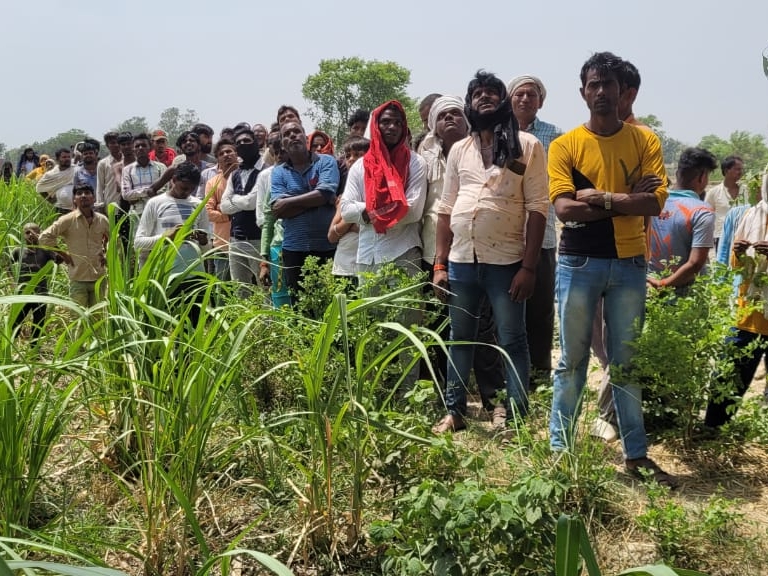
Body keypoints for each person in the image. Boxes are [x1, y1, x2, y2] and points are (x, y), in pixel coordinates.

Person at [548, 51, 674, 487]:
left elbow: (655, 202)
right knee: (572, 361)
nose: (601, 92)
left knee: (626, 364)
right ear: (583, 92)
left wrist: (597, 198)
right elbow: (564, 210)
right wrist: (623, 200)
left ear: (623, 92)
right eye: (593, 85)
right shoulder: (565, 145)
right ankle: (559, 452)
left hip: (630, 261)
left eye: (609, 85)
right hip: (578, 260)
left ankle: (635, 456)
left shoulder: (645, 141)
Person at [432, 71, 549, 434]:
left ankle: (514, 414)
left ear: (503, 102)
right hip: (462, 260)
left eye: (491, 93)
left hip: (507, 261)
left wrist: (528, 268)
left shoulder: (526, 145)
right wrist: (439, 262)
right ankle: (455, 411)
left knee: (512, 338)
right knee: (460, 338)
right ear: (470, 103)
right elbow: (446, 208)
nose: (484, 98)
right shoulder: (460, 151)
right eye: (477, 93)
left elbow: (538, 208)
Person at [420, 95, 507, 427]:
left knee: (484, 330)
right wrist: (434, 263)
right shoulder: (423, 160)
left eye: (456, 113)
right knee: (444, 330)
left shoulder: (484, 154)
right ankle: (450, 402)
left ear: (467, 119)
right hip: (434, 255)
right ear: (434, 127)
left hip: (477, 254)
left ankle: (494, 401)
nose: (450, 119)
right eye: (443, 117)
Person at [508, 74, 564, 391]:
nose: (525, 99)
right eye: (520, 94)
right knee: (504, 309)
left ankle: (539, 376)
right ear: (510, 99)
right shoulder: (498, 134)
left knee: (541, 309)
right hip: (502, 238)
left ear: (540, 101)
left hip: (541, 237)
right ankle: (506, 375)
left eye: (532, 95)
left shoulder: (555, 137)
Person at [269, 120, 339, 302]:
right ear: (283, 143)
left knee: (329, 304)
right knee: (300, 306)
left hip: (327, 247)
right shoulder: (278, 172)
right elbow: (278, 210)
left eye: (296, 131)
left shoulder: (326, 162)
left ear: (305, 136)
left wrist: (290, 202)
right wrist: (318, 198)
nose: (292, 136)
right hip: (294, 249)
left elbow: (324, 194)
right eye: (287, 134)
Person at [133, 162, 210, 326]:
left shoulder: (198, 205)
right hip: (165, 278)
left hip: (194, 276)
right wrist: (166, 237)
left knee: (192, 327)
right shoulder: (155, 203)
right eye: (183, 187)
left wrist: (203, 240)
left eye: (191, 189)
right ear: (173, 180)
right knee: (165, 326)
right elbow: (138, 243)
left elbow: (207, 248)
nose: (186, 192)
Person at [647, 147, 717, 292]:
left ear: (677, 173)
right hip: (686, 299)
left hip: (647, 289)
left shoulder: (651, 203)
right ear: (702, 177)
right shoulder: (702, 211)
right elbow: (695, 263)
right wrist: (663, 284)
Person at [39, 182, 109, 307]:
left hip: (99, 278)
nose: (83, 196)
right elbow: (44, 237)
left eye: (87, 193)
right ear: (74, 199)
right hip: (78, 278)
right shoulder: (67, 220)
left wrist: (106, 254)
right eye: (79, 193)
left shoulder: (102, 220)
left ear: (93, 198)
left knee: (98, 319)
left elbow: (114, 240)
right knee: (79, 319)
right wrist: (63, 254)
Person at [219, 127, 264, 298]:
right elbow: (223, 206)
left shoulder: (265, 171)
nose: (243, 144)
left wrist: (235, 200)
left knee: (264, 287)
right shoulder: (234, 174)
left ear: (256, 143)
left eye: (247, 141)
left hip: (258, 239)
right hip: (236, 239)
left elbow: (252, 203)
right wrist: (242, 202)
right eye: (239, 143)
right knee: (240, 289)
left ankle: (269, 325)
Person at [258, 130, 292, 308]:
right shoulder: (274, 185)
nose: (279, 156)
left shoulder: (309, 178)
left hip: (303, 245)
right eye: (276, 152)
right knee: (280, 296)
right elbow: (268, 222)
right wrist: (264, 261)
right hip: (278, 248)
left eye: (283, 151)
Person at [328, 137, 369, 280]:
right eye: (347, 156)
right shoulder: (345, 196)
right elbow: (331, 235)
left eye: (358, 154)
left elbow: (379, 228)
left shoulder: (378, 192)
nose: (351, 159)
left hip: (368, 266)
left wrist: (348, 220)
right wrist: (353, 222)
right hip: (344, 266)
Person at [10, 223, 57, 343]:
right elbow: (8, 267)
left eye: (35, 232)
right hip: (22, 294)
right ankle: (9, 349)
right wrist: (12, 283)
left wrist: (50, 244)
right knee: (16, 323)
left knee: (38, 324)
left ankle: (34, 352)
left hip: (40, 294)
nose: (31, 235)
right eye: (27, 232)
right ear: (23, 235)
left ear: (40, 233)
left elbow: (59, 260)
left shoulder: (45, 252)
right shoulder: (17, 251)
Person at [204, 139, 239, 280]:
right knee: (222, 290)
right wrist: (230, 216)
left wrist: (222, 207)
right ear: (217, 159)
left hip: (246, 244)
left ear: (236, 154)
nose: (226, 155)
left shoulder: (246, 178)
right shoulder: (212, 183)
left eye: (229, 151)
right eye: (221, 153)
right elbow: (208, 212)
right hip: (222, 245)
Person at [705, 156, 747, 251]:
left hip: (744, 237)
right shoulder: (713, 192)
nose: (741, 172)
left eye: (741, 169)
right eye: (737, 169)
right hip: (722, 237)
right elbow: (706, 215)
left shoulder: (746, 190)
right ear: (727, 170)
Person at [37, 148, 75, 214]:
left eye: (69, 157)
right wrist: (51, 200)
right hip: (61, 210)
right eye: (64, 157)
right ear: (57, 159)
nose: (67, 159)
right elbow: (39, 188)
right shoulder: (50, 174)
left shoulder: (76, 169)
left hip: (78, 208)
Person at [96, 132, 122, 212]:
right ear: (107, 145)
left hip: (129, 205)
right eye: (112, 143)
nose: (116, 145)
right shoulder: (103, 163)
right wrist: (100, 204)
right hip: (111, 204)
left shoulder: (129, 161)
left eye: (118, 142)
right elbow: (100, 186)